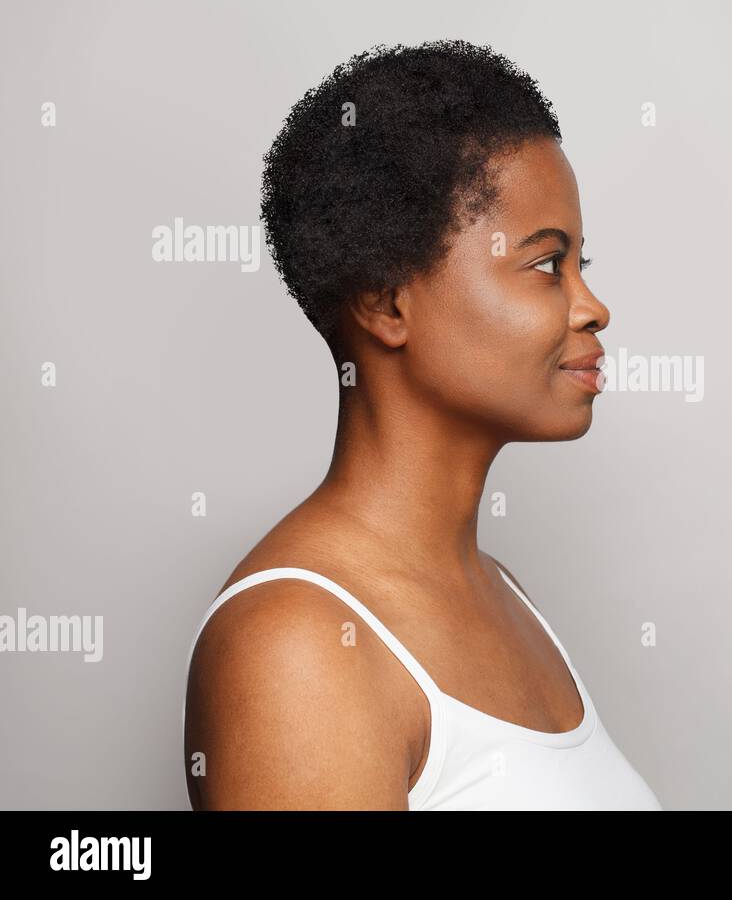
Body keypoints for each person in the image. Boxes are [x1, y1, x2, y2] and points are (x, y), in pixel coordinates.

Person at [182, 40, 662, 810]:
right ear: (385, 302)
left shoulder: (505, 595)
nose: (592, 307)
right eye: (546, 265)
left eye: (584, 267)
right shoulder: (295, 641)